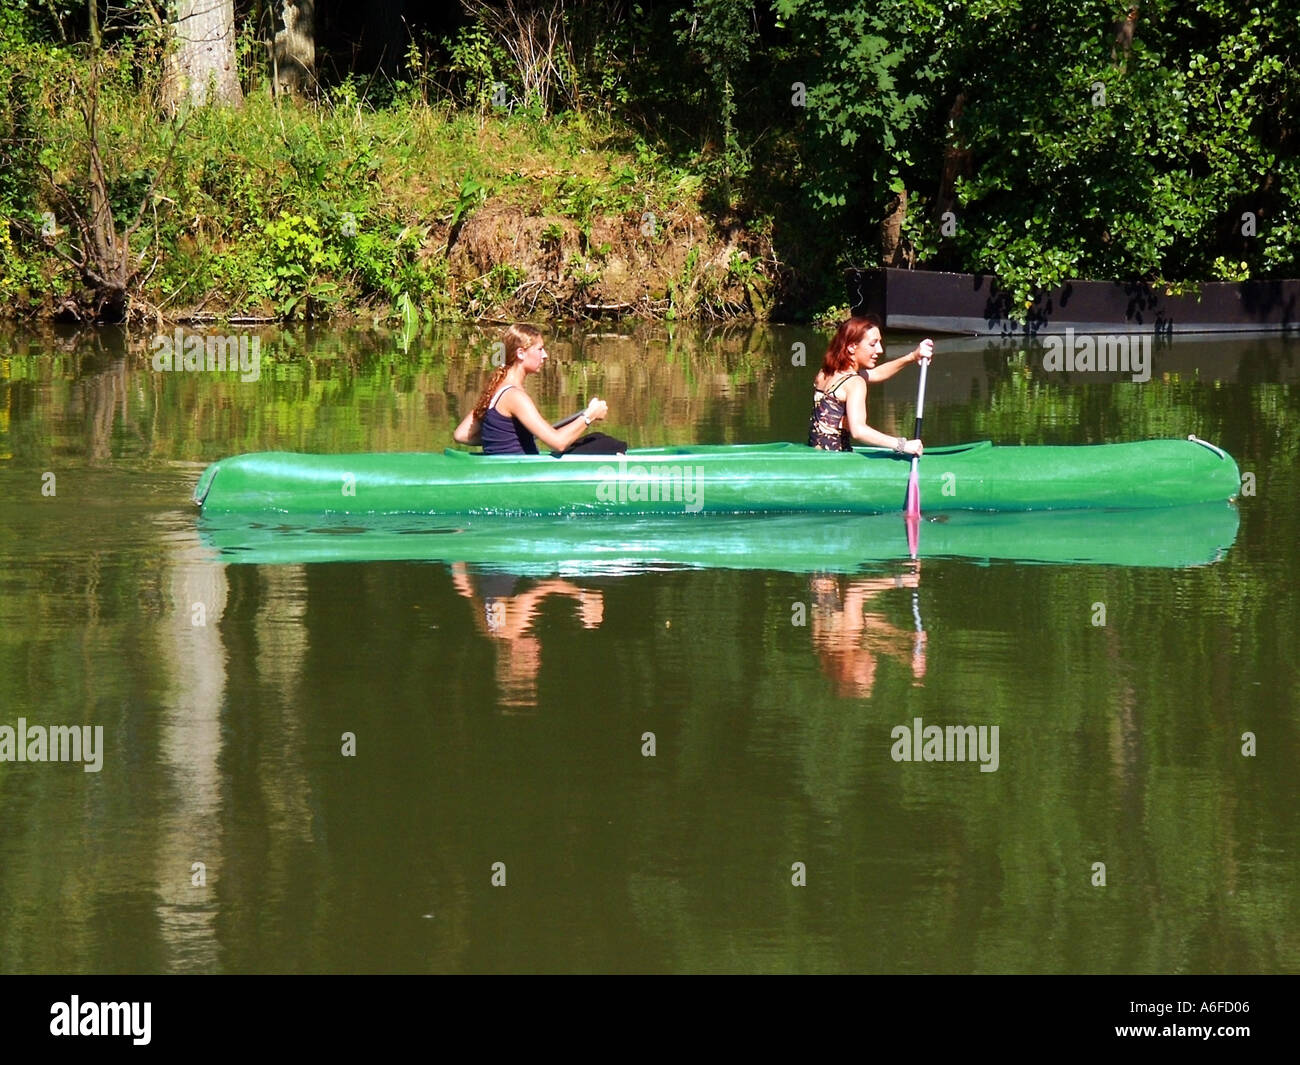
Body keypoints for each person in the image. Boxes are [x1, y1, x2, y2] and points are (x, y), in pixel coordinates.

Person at [454, 324, 626, 455]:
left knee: (596, 439)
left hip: (511, 465)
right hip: (521, 471)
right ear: (521, 353)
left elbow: (462, 434)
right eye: (540, 349)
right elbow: (558, 443)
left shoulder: (496, 388)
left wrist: (503, 441)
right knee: (607, 444)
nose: (545, 355)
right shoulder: (515, 396)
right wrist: (589, 416)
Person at [807, 315, 933, 454]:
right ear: (852, 347)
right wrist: (902, 445)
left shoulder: (825, 373)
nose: (879, 350)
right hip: (836, 459)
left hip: (815, 453)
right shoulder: (855, 382)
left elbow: (877, 373)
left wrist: (912, 357)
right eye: (873, 344)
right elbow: (859, 431)